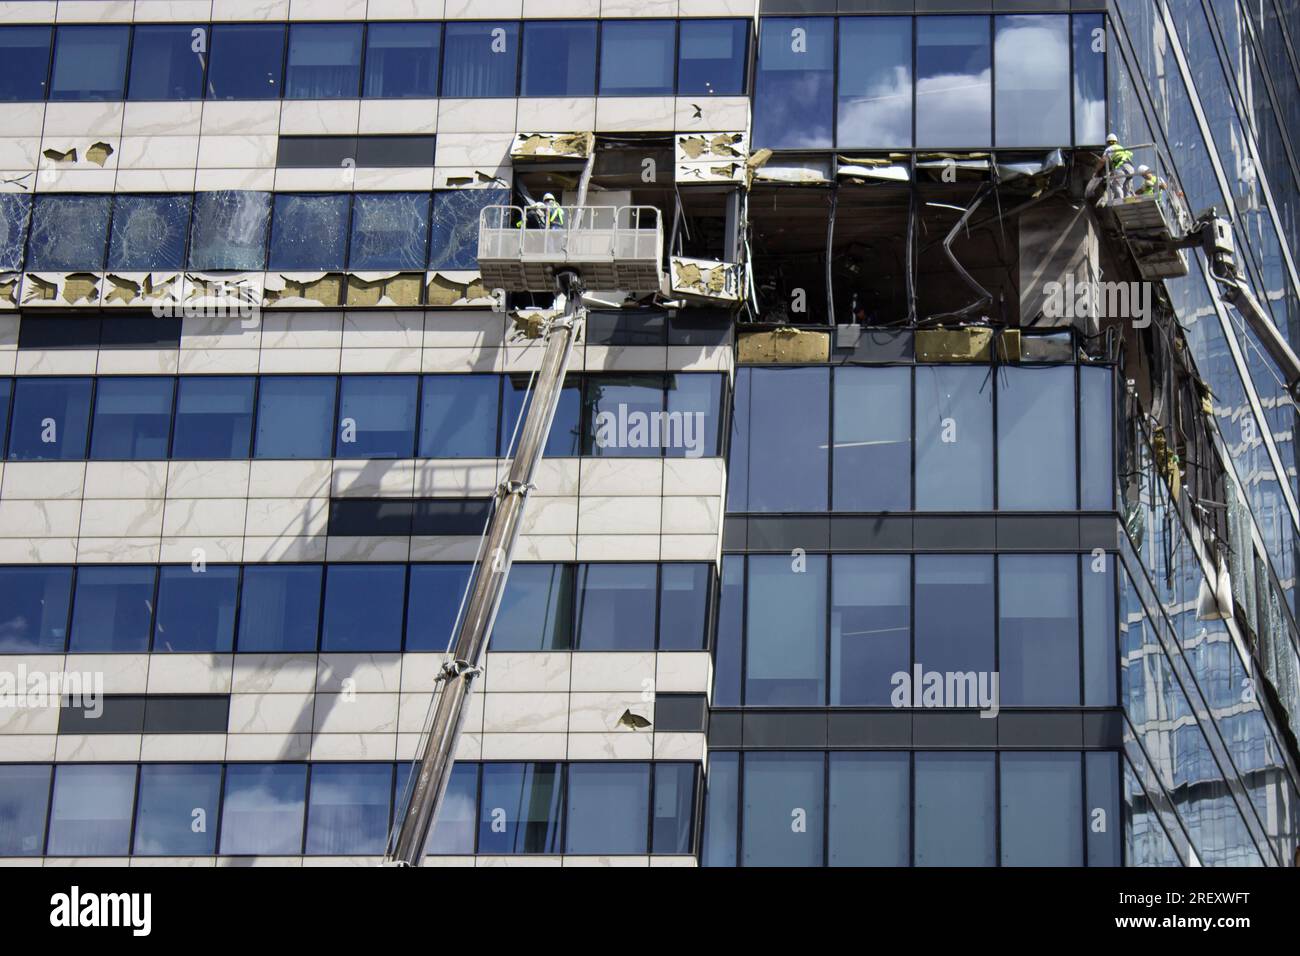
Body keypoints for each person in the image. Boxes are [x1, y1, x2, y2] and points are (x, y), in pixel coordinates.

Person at [1102, 133, 1135, 202]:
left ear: (1108, 143)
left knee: (1115, 184)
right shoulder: (1121, 148)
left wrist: (1095, 171)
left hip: (1123, 167)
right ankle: (1128, 202)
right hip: (1130, 168)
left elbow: (1103, 160)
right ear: (1116, 141)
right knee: (1126, 189)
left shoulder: (1109, 149)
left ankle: (1120, 200)